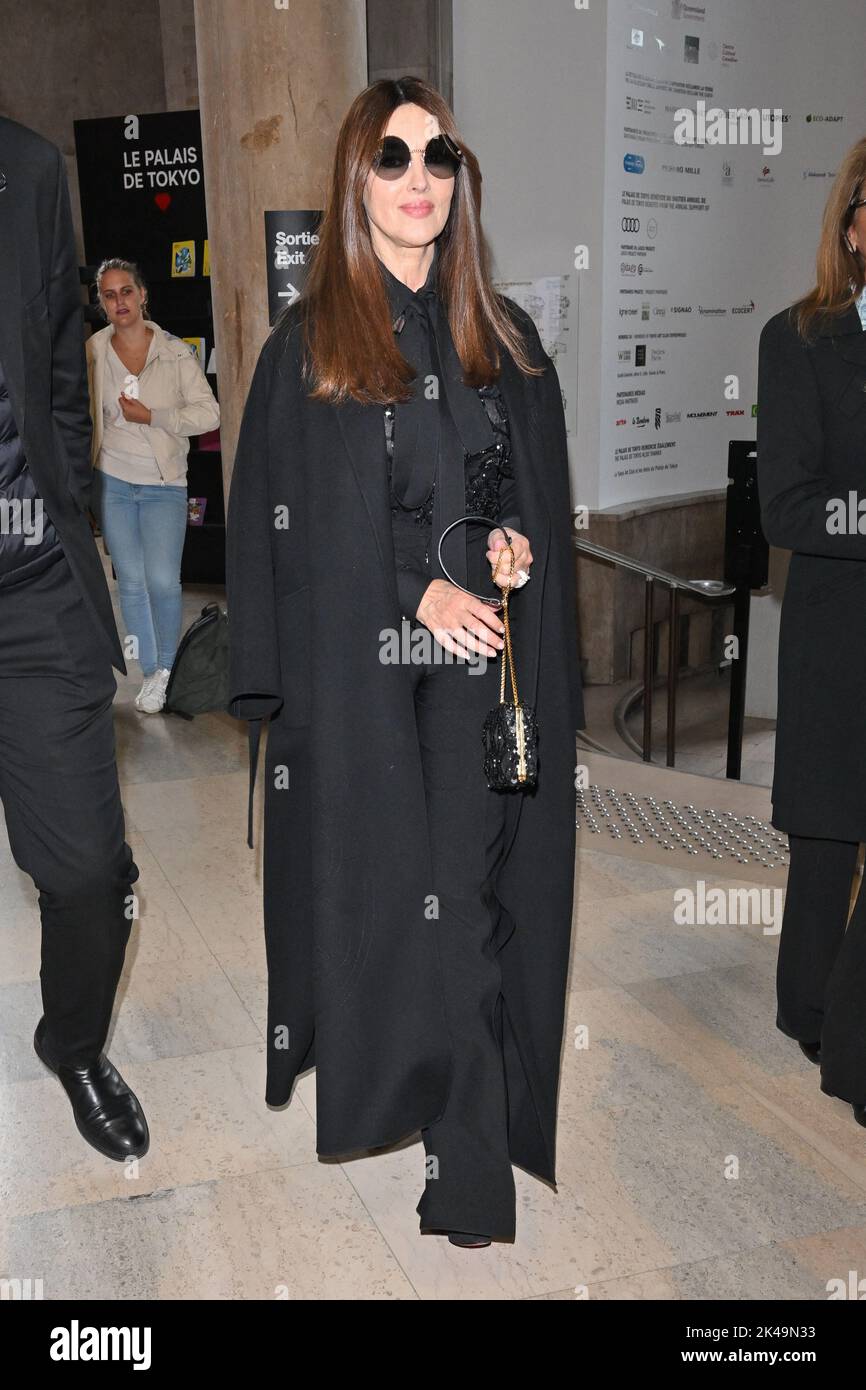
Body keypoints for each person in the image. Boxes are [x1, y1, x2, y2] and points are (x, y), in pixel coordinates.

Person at [226, 76, 584, 1246]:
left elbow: (489, 504)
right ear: (355, 179)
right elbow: (303, 532)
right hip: (366, 683)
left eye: (438, 158)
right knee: (404, 913)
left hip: (477, 673)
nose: (419, 179)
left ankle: (468, 1164)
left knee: (471, 905)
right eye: (393, 158)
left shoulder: (502, 340)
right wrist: (410, 588)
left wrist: (504, 548)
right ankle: (429, 1101)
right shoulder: (312, 347)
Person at [0, 117, 147, 1159]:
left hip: (32, 587)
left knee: (92, 872)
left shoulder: (30, 168)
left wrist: (69, 507)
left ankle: (77, 1042)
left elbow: (58, 350)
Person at [757, 135, 866, 1132]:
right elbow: (785, 508)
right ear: (852, 224)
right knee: (829, 837)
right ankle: (805, 1009)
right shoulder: (796, 338)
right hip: (841, 636)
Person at [86, 259, 220, 713]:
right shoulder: (92, 352)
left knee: (163, 580)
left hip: (164, 484)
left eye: (126, 291)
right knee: (132, 583)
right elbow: (80, 413)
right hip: (113, 483)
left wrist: (154, 417)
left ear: (143, 295)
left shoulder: (175, 352)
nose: (119, 301)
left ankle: (166, 666)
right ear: (101, 304)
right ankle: (151, 673)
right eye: (109, 295)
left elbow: (210, 413)